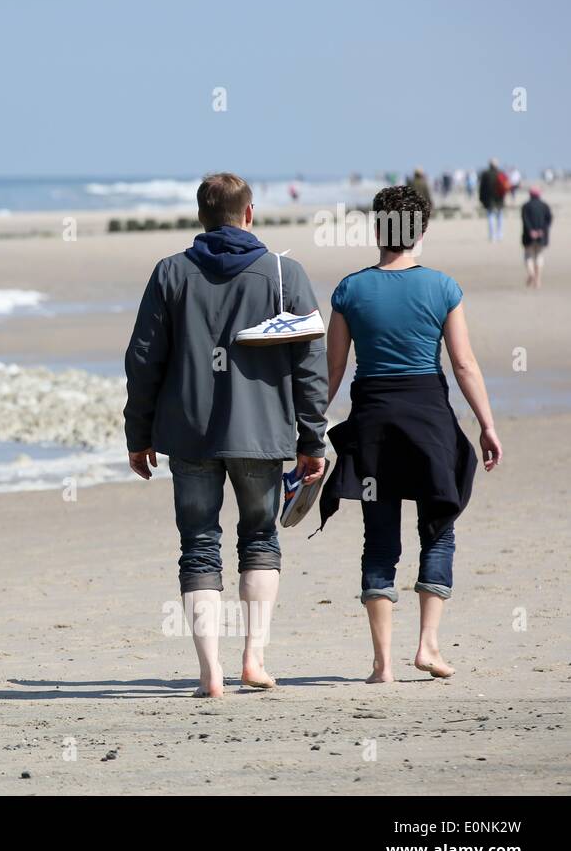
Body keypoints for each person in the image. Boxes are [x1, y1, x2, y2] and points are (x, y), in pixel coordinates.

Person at [124, 172, 328, 698]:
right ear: (250, 214)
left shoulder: (170, 273)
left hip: (189, 433)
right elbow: (310, 363)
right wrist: (313, 438)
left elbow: (144, 359)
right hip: (262, 433)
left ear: (200, 216)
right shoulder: (285, 274)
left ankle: (209, 671)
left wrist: (138, 432)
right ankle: (253, 659)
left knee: (198, 545)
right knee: (260, 538)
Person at [320, 185, 502, 684]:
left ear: (378, 230)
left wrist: (311, 427)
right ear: (421, 232)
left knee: (379, 538)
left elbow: (332, 371)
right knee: (438, 526)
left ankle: (382, 665)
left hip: (374, 423)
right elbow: (463, 363)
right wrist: (486, 424)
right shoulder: (443, 287)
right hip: (429, 422)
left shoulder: (350, 290)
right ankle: (428, 645)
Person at [521, 186, 553, 288]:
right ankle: (537, 279)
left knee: (528, 256)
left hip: (528, 235)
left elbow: (525, 220)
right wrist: (541, 230)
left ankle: (531, 274)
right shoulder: (545, 206)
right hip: (541, 236)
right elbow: (548, 220)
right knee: (539, 255)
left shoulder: (525, 206)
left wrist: (531, 230)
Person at [478, 159, 504, 242]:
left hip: (490, 199)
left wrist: (481, 198)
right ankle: (499, 234)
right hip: (500, 198)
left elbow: (482, 188)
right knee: (499, 216)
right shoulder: (500, 173)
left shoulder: (486, 174)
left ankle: (492, 235)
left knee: (491, 217)